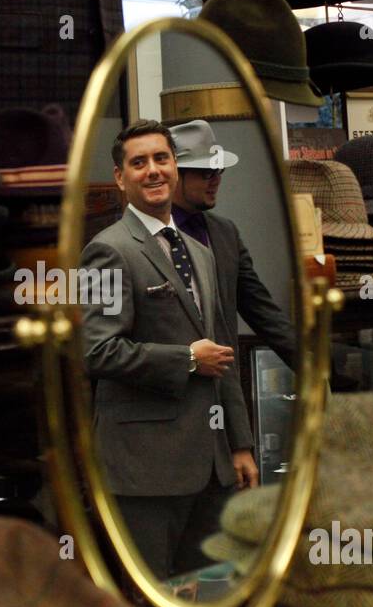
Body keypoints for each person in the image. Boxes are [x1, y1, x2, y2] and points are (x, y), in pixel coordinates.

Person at [80, 120, 257, 581]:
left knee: (209, 594)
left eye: (162, 159)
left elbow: (225, 351)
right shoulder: (105, 250)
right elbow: (98, 351)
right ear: (121, 178)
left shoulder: (201, 253)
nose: (153, 171)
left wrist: (240, 443)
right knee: (150, 603)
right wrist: (186, 359)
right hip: (144, 470)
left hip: (213, 467)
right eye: (139, 163)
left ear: (176, 167)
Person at [169, 119, 298, 371]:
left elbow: (260, 309)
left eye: (219, 171)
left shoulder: (224, 232)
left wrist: (315, 365)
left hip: (223, 386)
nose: (216, 180)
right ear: (175, 173)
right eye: (206, 172)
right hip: (165, 393)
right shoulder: (145, 235)